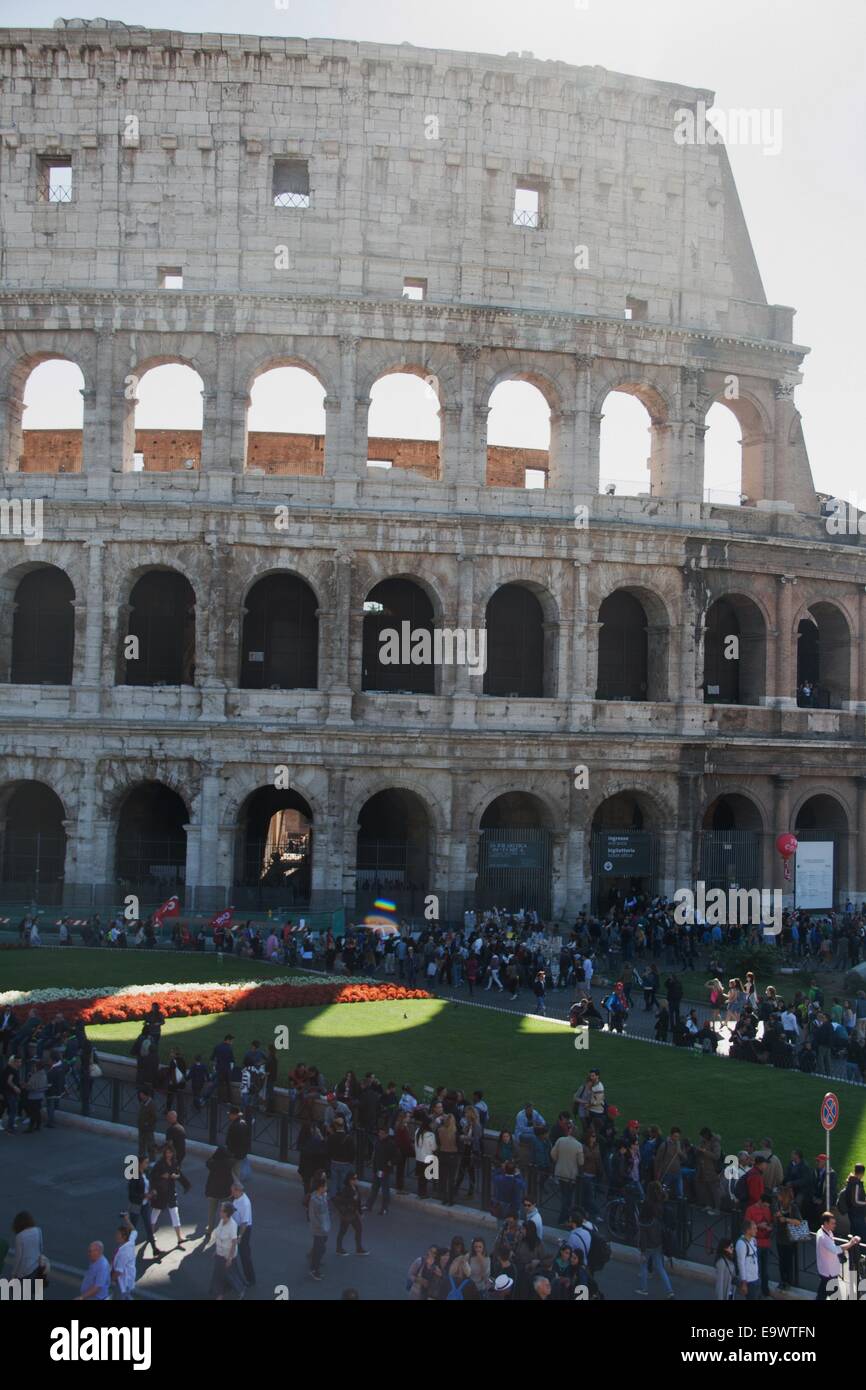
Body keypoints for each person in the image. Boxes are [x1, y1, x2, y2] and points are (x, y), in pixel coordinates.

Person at [636, 1181, 674, 1299]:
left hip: (648, 1244)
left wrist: (642, 1251)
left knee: (643, 1265)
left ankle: (644, 1289)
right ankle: (669, 1291)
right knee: (660, 1268)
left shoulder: (646, 1209)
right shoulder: (659, 1204)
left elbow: (643, 1234)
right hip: (658, 1242)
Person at [815, 1211, 861, 1300]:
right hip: (828, 1272)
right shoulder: (823, 1237)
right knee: (833, 1295)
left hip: (827, 1271)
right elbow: (836, 1249)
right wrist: (851, 1243)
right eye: (832, 1223)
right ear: (825, 1223)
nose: (835, 1225)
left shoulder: (825, 1232)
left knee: (822, 1294)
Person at [150, 1143, 185, 1249]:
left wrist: (175, 1176)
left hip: (170, 1190)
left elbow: (178, 1173)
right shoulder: (160, 1163)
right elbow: (152, 1176)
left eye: (170, 1152)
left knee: (174, 1212)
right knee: (156, 1212)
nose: (168, 1155)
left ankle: (179, 1237)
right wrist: (162, 1176)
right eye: (167, 1153)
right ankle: (151, 1233)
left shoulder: (174, 1162)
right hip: (161, 1191)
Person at [126, 1154, 161, 1258]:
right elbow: (132, 1194)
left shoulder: (146, 1173)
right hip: (136, 1205)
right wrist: (144, 1195)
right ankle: (127, 1249)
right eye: (146, 1162)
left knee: (148, 1227)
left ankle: (154, 1248)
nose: (147, 1164)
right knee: (132, 1228)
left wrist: (152, 1192)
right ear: (140, 1164)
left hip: (145, 1205)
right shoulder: (134, 1176)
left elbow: (149, 1185)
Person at [209, 1202, 244, 1300]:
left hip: (227, 1255)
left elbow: (234, 1243)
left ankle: (240, 1289)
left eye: (221, 1210)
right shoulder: (222, 1221)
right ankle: (220, 1294)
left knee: (230, 1275)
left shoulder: (232, 1225)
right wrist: (216, 1251)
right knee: (219, 1274)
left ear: (226, 1213)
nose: (219, 1212)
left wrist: (230, 1258)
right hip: (220, 1254)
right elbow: (218, 1236)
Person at [333, 1172, 369, 1257]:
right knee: (343, 1231)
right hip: (347, 1214)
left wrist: (360, 1212)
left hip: (354, 1213)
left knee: (359, 1229)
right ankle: (339, 1249)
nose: (356, 1180)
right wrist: (352, 1199)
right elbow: (342, 1201)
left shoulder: (355, 1188)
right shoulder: (346, 1189)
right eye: (354, 1179)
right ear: (350, 1180)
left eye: (356, 1178)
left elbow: (358, 1201)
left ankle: (359, 1248)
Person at [204, 1144, 235, 1239]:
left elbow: (208, 1161)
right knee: (225, 1212)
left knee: (211, 1212)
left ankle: (209, 1230)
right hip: (225, 1192)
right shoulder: (229, 1163)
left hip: (213, 1191)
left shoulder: (212, 1164)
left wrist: (214, 1155)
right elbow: (231, 1178)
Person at [10, 1211, 44, 1282]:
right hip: (36, 1267)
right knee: (33, 1287)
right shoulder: (38, 1230)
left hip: (24, 1271)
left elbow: (18, 1258)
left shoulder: (19, 1237)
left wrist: (13, 1273)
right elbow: (41, 1249)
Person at [308, 1173, 331, 1281]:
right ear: (320, 1187)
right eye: (325, 1186)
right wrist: (320, 1227)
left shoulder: (323, 1196)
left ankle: (315, 1261)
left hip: (324, 1226)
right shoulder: (314, 1200)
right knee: (320, 1248)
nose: (326, 1188)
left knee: (320, 1247)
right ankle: (314, 1269)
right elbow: (313, 1216)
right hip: (318, 1229)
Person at [110, 1224, 137, 1300]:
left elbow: (119, 1271)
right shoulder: (130, 1241)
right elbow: (134, 1231)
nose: (116, 1235)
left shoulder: (124, 1252)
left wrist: (109, 1280)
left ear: (124, 1237)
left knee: (119, 1297)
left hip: (123, 1282)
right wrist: (127, 1219)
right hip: (129, 1279)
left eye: (118, 1234)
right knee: (126, 1296)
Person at [735, 1220, 761, 1301]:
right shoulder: (741, 1244)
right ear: (748, 1230)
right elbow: (741, 1264)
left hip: (756, 1277)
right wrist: (744, 1282)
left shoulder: (753, 1240)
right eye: (754, 1228)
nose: (756, 1230)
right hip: (749, 1281)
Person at [226, 1105, 252, 1184]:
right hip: (242, 1152)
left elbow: (231, 1141)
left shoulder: (234, 1126)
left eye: (230, 1114)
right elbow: (247, 1138)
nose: (229, 1116)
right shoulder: (244, 1123)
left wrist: (230, 1152)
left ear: (234, 1115)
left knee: (233, 1172)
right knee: (236, 1171)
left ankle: (236, 1186)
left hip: (234, 1153)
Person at [714, 1236, 737, 1301]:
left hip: (730, 1291)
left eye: (733, 1247)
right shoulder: (721, 1262)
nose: (733, 1249)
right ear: (725, 1248)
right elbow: (720, 1283)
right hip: (725, 1293)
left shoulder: (730, 1258)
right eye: (731, 1247)